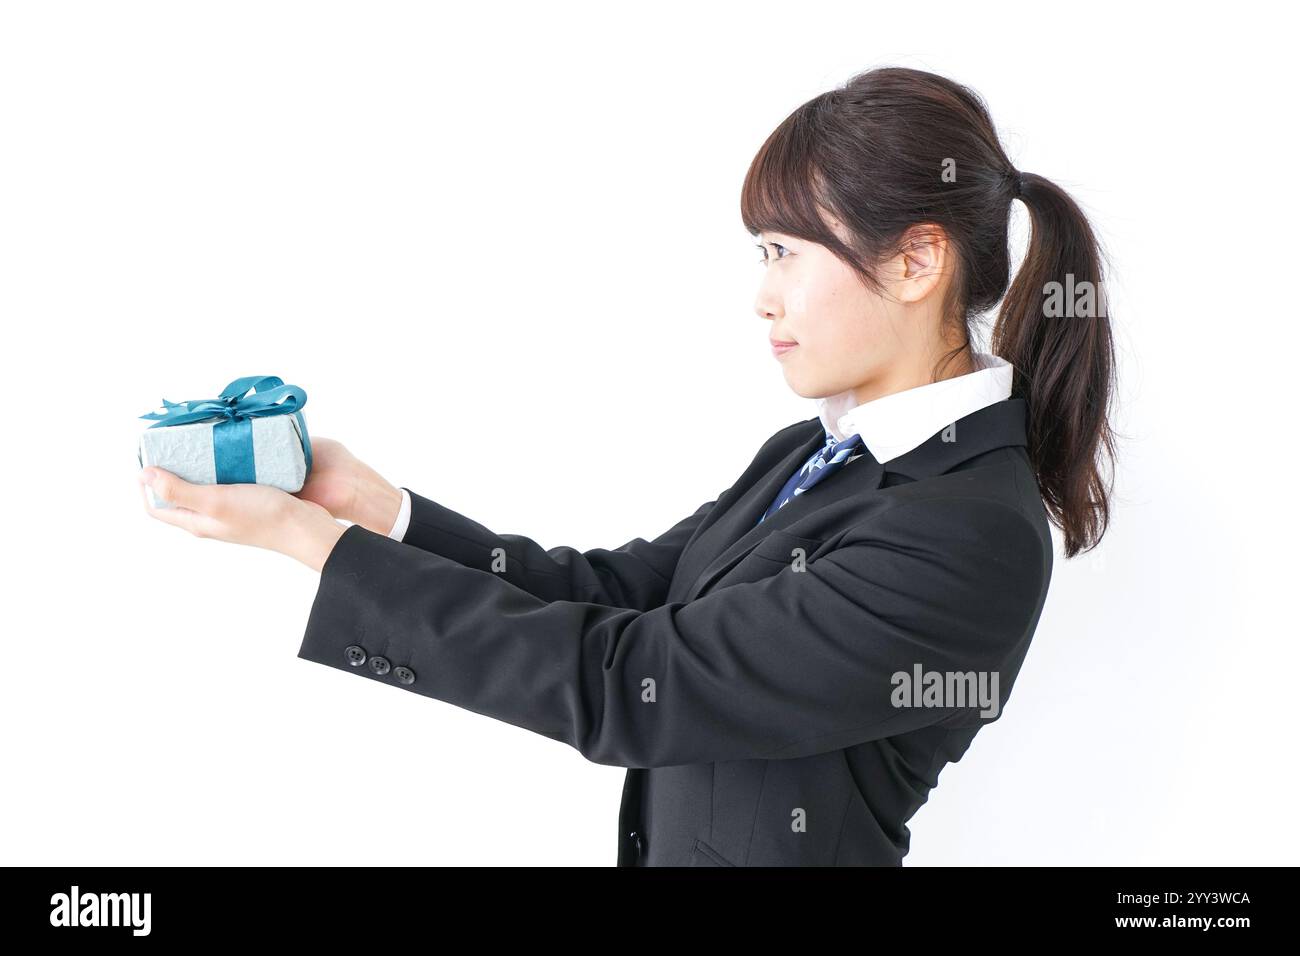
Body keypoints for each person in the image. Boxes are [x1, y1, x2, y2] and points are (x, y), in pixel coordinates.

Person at [139, 66, 1116, 866]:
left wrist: (319, 549)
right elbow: (614, 594)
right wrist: (378, 512)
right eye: (759, 254)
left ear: (913, 263)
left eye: (785, 251)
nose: (762, 298)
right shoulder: (818, 450)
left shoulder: (966, 529)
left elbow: (632, 679)